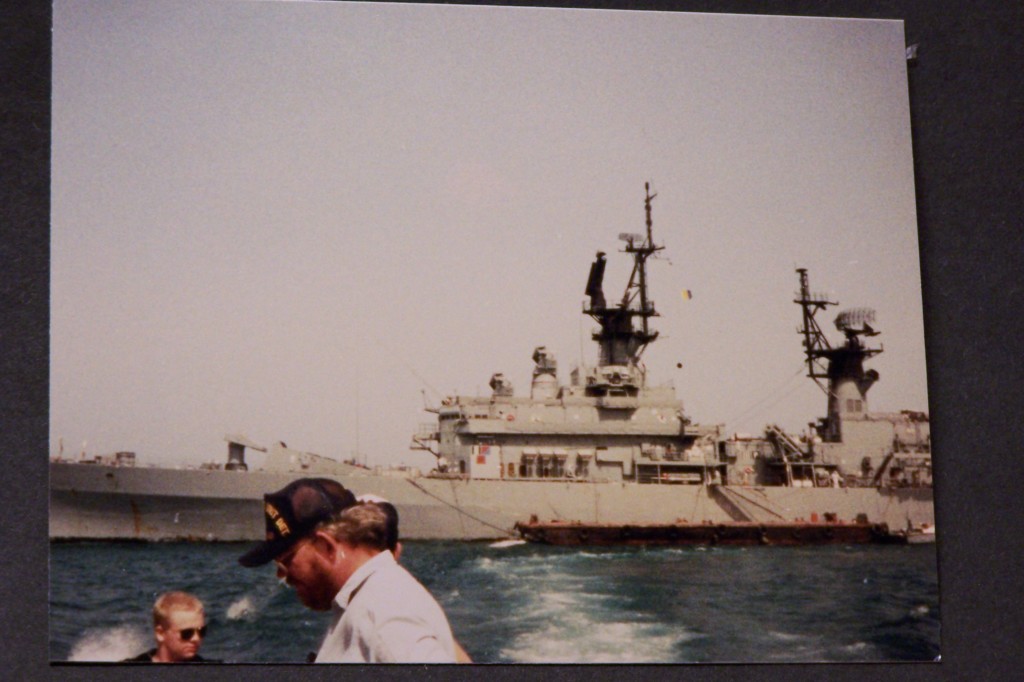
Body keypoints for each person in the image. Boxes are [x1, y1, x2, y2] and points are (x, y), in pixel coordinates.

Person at [238, 478, 457, 663]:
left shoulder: (382, 613)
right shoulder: (372, 596)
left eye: (286, 561)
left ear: (326, 547)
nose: (283, 576)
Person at [123, 591, 213, 663]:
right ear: (160, 633)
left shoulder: (212, 672)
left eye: (201, 631)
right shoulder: (127, 672)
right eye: (187, 633)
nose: (196, 638)